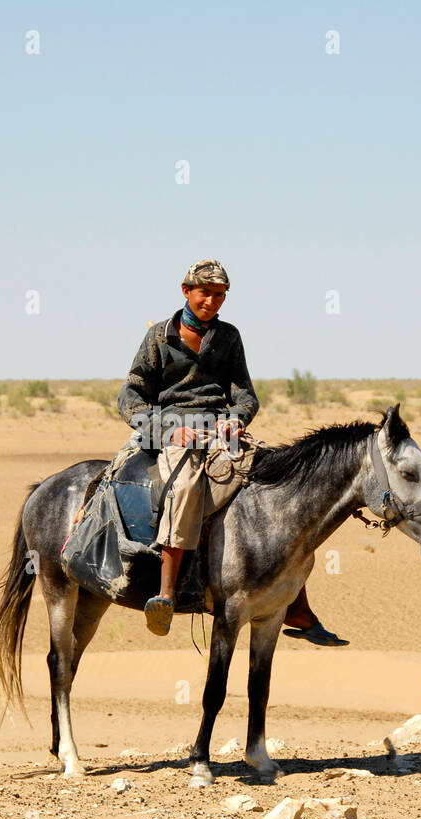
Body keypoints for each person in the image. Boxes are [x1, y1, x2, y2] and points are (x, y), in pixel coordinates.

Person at [115, 259, 345, 645]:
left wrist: (237, 418)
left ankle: (297, 603)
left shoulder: (229, 336)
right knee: (185, 487)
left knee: (277, 487)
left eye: (219, 295)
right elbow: (131, 394)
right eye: (204, 292)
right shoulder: (158, 337)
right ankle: (166, 594)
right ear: (186, 291)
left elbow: (244, 394)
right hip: (175, 432)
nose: (211, 301)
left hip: (220, 431)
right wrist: (167, 431)